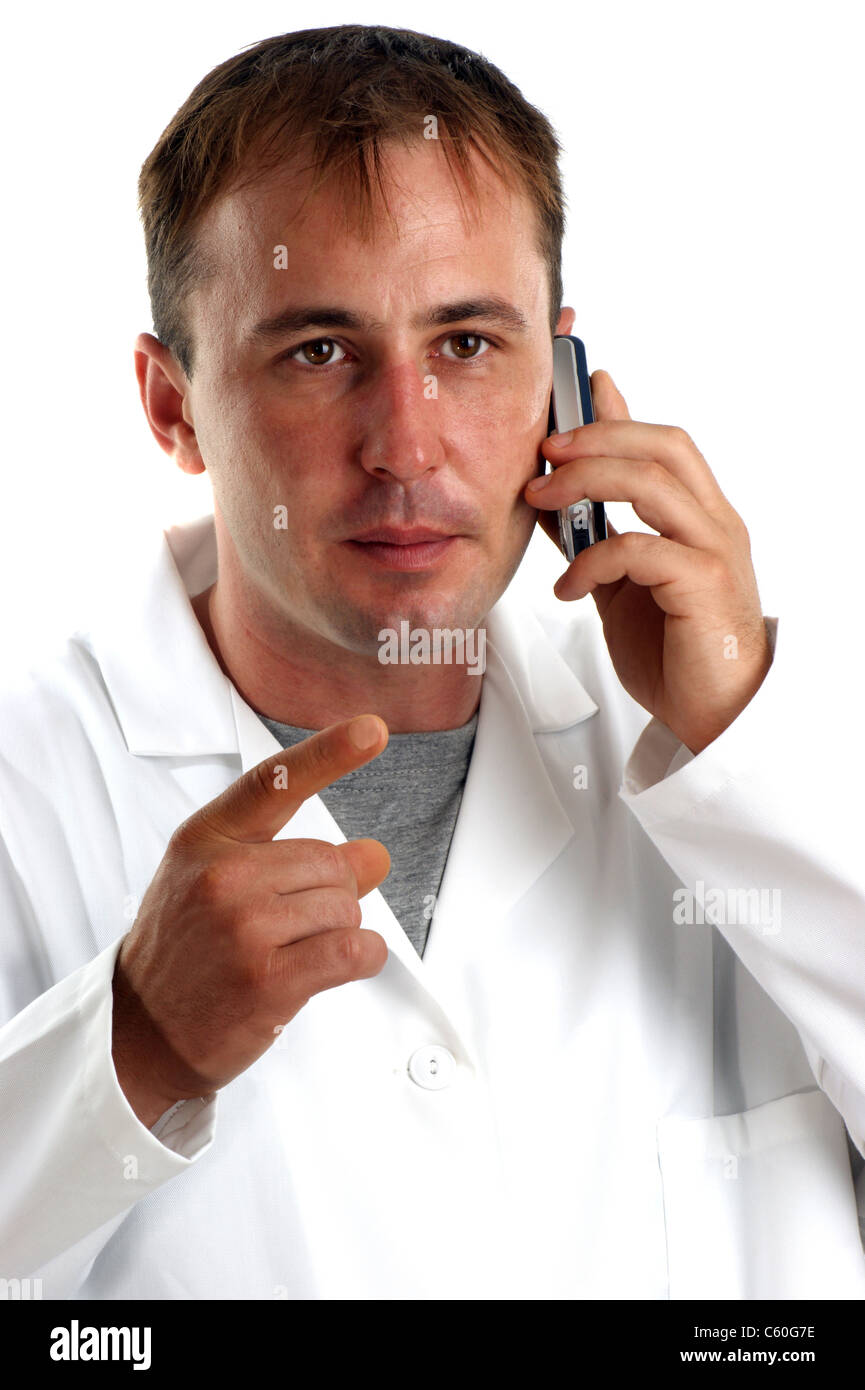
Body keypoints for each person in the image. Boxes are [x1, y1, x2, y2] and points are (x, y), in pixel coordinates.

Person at [1, 23, 863, 1301]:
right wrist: (130, 1052)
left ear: (560, 377)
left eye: (466, 343)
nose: (406, 444)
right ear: (171, 404)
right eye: (318, 351)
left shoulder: (746, 752)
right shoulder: (31, 790)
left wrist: (751, 755)